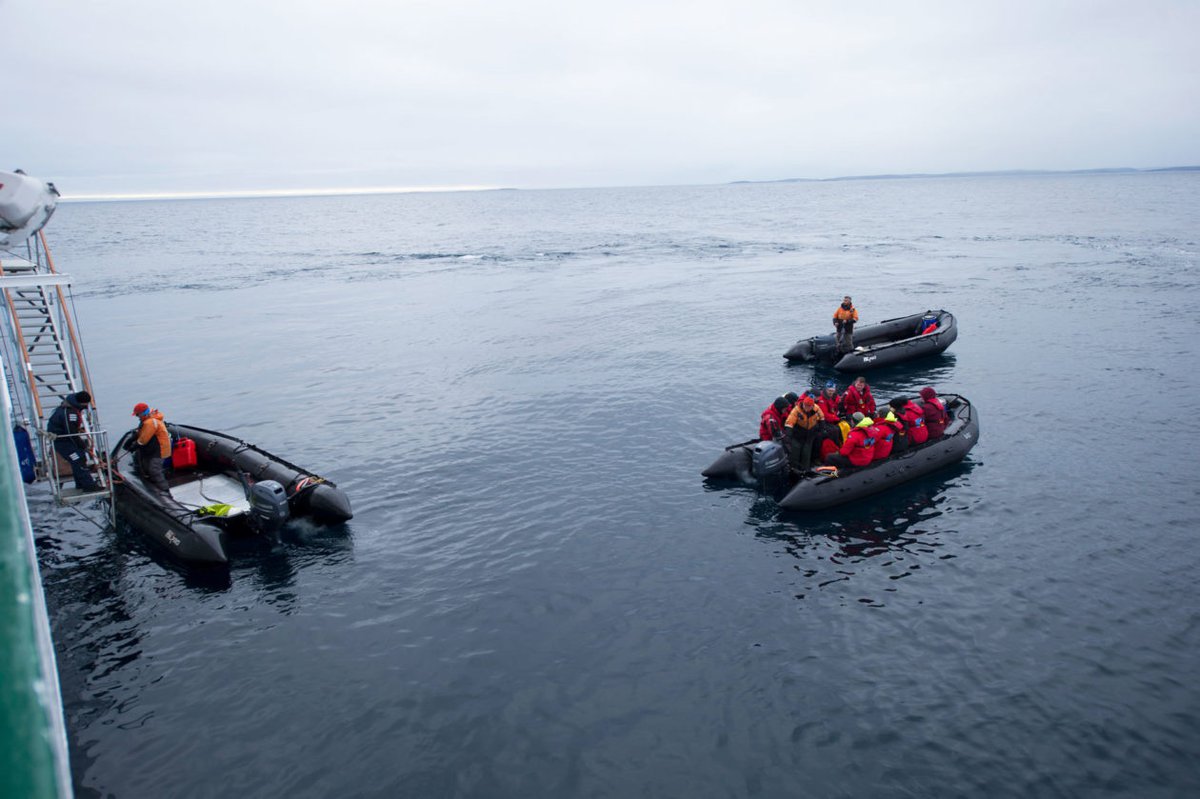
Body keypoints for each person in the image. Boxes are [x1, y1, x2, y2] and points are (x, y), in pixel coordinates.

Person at [47, 391, 98, 491]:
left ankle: (80, 484)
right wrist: (83, 446)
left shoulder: (68, 407)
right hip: (63, 442)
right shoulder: (70, 414)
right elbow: (71, 433)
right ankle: (89, 486)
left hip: (65, 440)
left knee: (80, 457)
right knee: (77, 459)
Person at [131, 402, 171, 493]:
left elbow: (143, 439)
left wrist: (134, 445)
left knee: (154, 470)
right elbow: (142, 433)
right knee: (147, 467)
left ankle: (165, 491)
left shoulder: (150, 422)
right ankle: (154, 487)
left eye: (137, 415)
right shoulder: (147, 420)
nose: (137, 417)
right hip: (152, 449)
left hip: (160, 449)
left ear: (142, 413)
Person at [784, 395, 825, 471]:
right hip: (798, 435)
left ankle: (805, 470)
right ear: (803, 404)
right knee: (795, 454)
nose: (807, 408)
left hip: (809, 435)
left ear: (812, 406)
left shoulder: (816, 409)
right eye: (805, 405)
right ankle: (794, 470)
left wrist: (821, 429)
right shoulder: (796, 410)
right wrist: (788, 436)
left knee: (806, 454)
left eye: (809, 406)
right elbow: (789, 423)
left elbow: (821, 417)